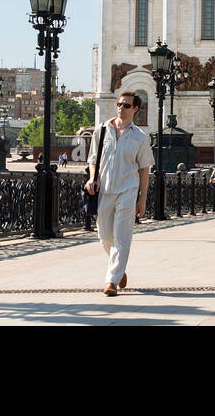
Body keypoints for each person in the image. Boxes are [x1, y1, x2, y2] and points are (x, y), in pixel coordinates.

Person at [85, 93, 153, 297]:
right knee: (105, 236)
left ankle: (111, 281)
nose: (121, 108)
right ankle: (119, 269)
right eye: (119, 104)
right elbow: (93, 159)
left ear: (135, 109)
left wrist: (142, 199)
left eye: (126, 105)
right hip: (105, 189)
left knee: (122, 237)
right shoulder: (102, 130)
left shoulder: (140, 137)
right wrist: (91, 178)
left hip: (128, 190)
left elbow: (144, 169)